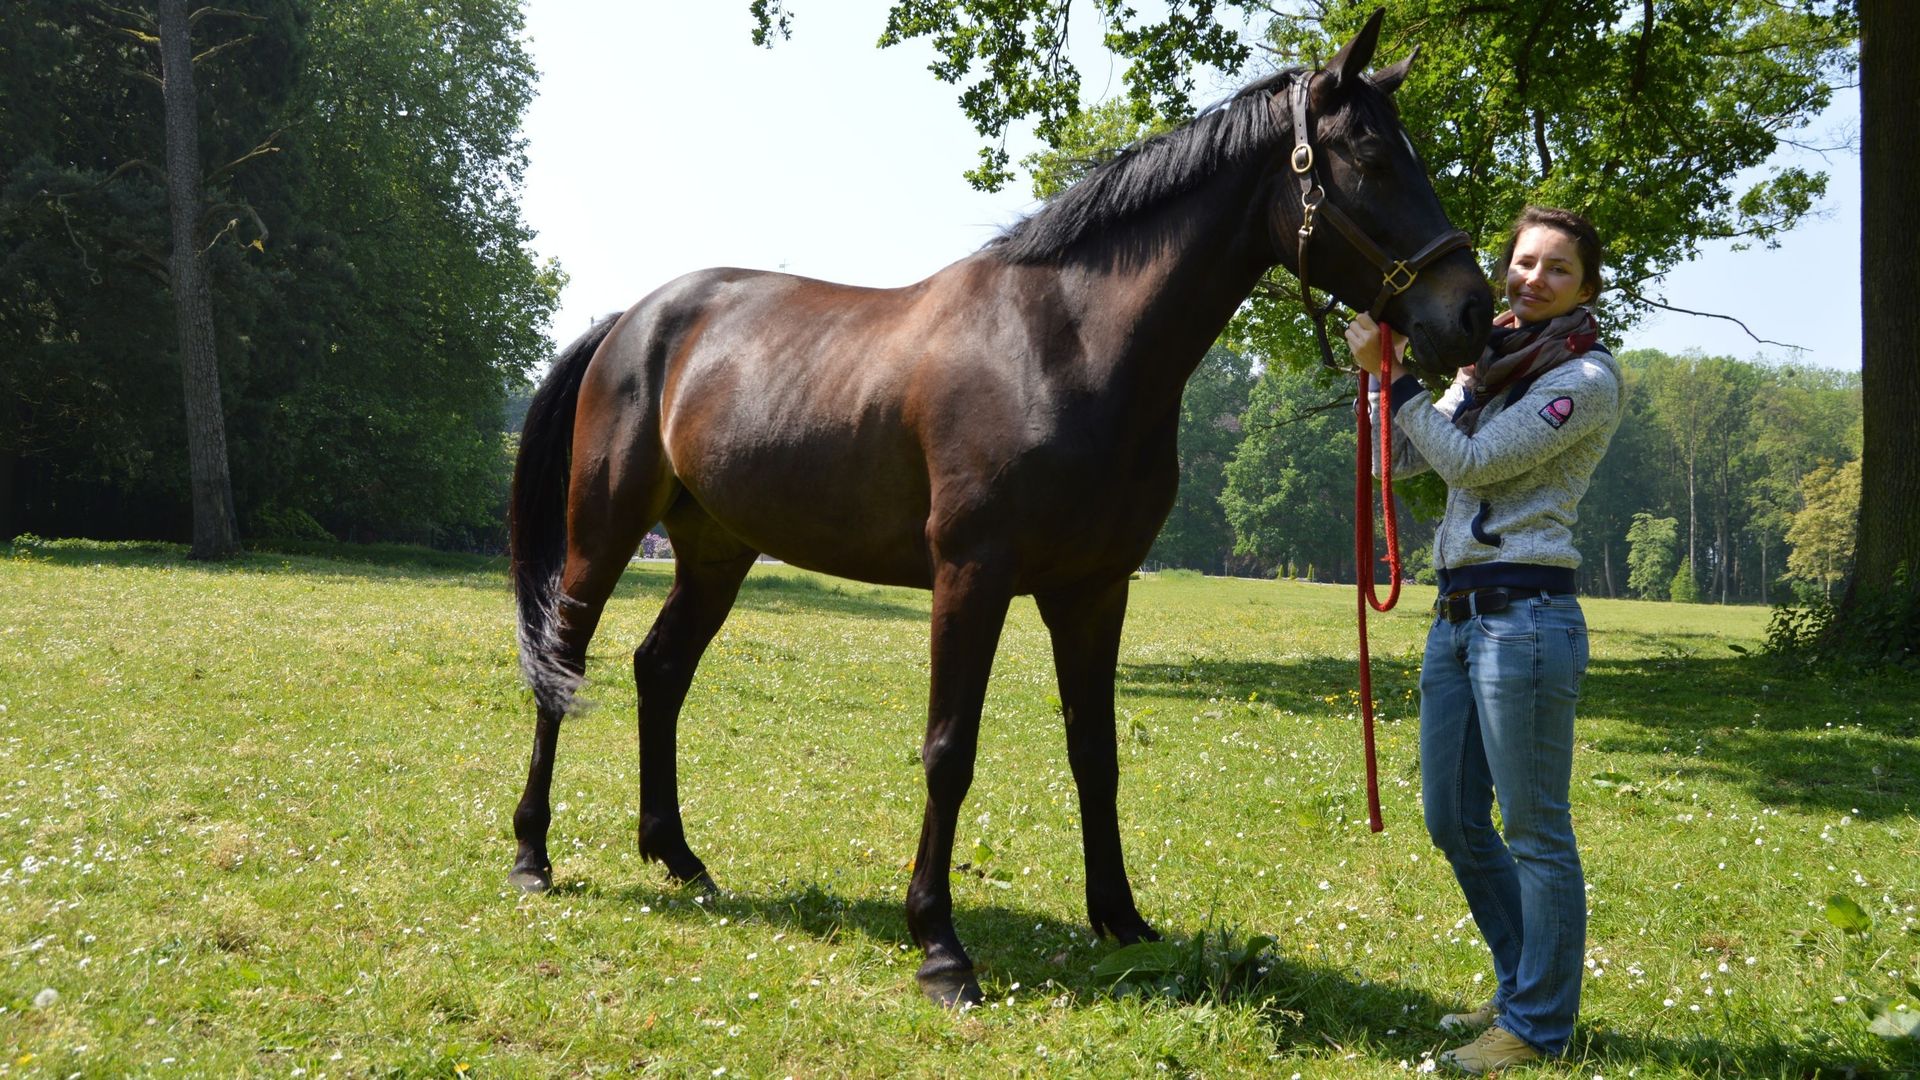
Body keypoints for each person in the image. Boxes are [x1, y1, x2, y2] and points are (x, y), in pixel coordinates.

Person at [1343, 205, 1622, 1074]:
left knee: (1535, 830)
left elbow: (1472, 462)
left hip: (1528, 619)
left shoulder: (1585, 379)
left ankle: (1539, 1027)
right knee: (1453, 819)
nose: (1531, 278)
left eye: (1557, 269)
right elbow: (1400, 461)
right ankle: (1519, 985)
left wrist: (1397, 389)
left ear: (1588, 286)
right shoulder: (1489, 364)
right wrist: (1387, 375)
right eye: (1524, 262)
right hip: (1457, 618)